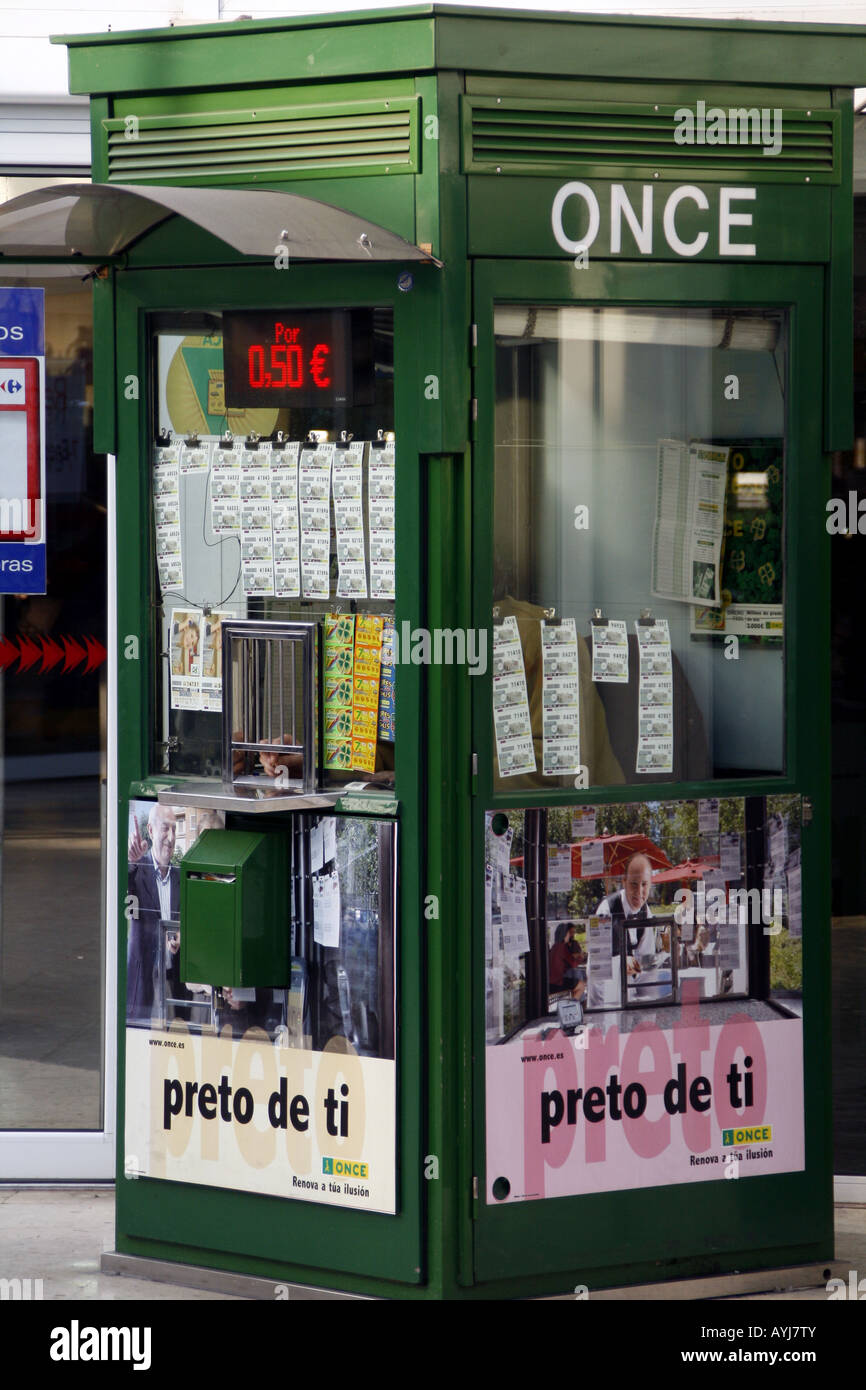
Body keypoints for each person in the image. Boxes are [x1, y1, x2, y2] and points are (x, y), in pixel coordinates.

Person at [127, 804, 182, 1024]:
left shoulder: (181, 877)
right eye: (165, 828)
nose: (171, 837)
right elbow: (122, 893)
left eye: (175, 829)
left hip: (175, 983)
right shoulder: (137, 871)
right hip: (144, 983)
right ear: (150, 831)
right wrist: (131, 863)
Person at [588, 852, 657, 1008]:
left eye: (644, 884)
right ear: (624, 882)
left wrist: (648, 1007)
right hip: (605, 1003)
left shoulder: (646, 913)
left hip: (632, 1002)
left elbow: (647, 966)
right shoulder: (605, 910)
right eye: (634, 884)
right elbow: (596, 972)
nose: (640, 892)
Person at [548, 922, 587, 999]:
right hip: (557, 983)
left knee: (573, 981)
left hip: (550, 982)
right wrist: (580, 957)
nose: (570, 935)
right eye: (568, 933)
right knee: (581, 985)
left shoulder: (554, 947)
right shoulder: (562, 947)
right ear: (564, 935)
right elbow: (573, 964)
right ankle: (572, 1007)